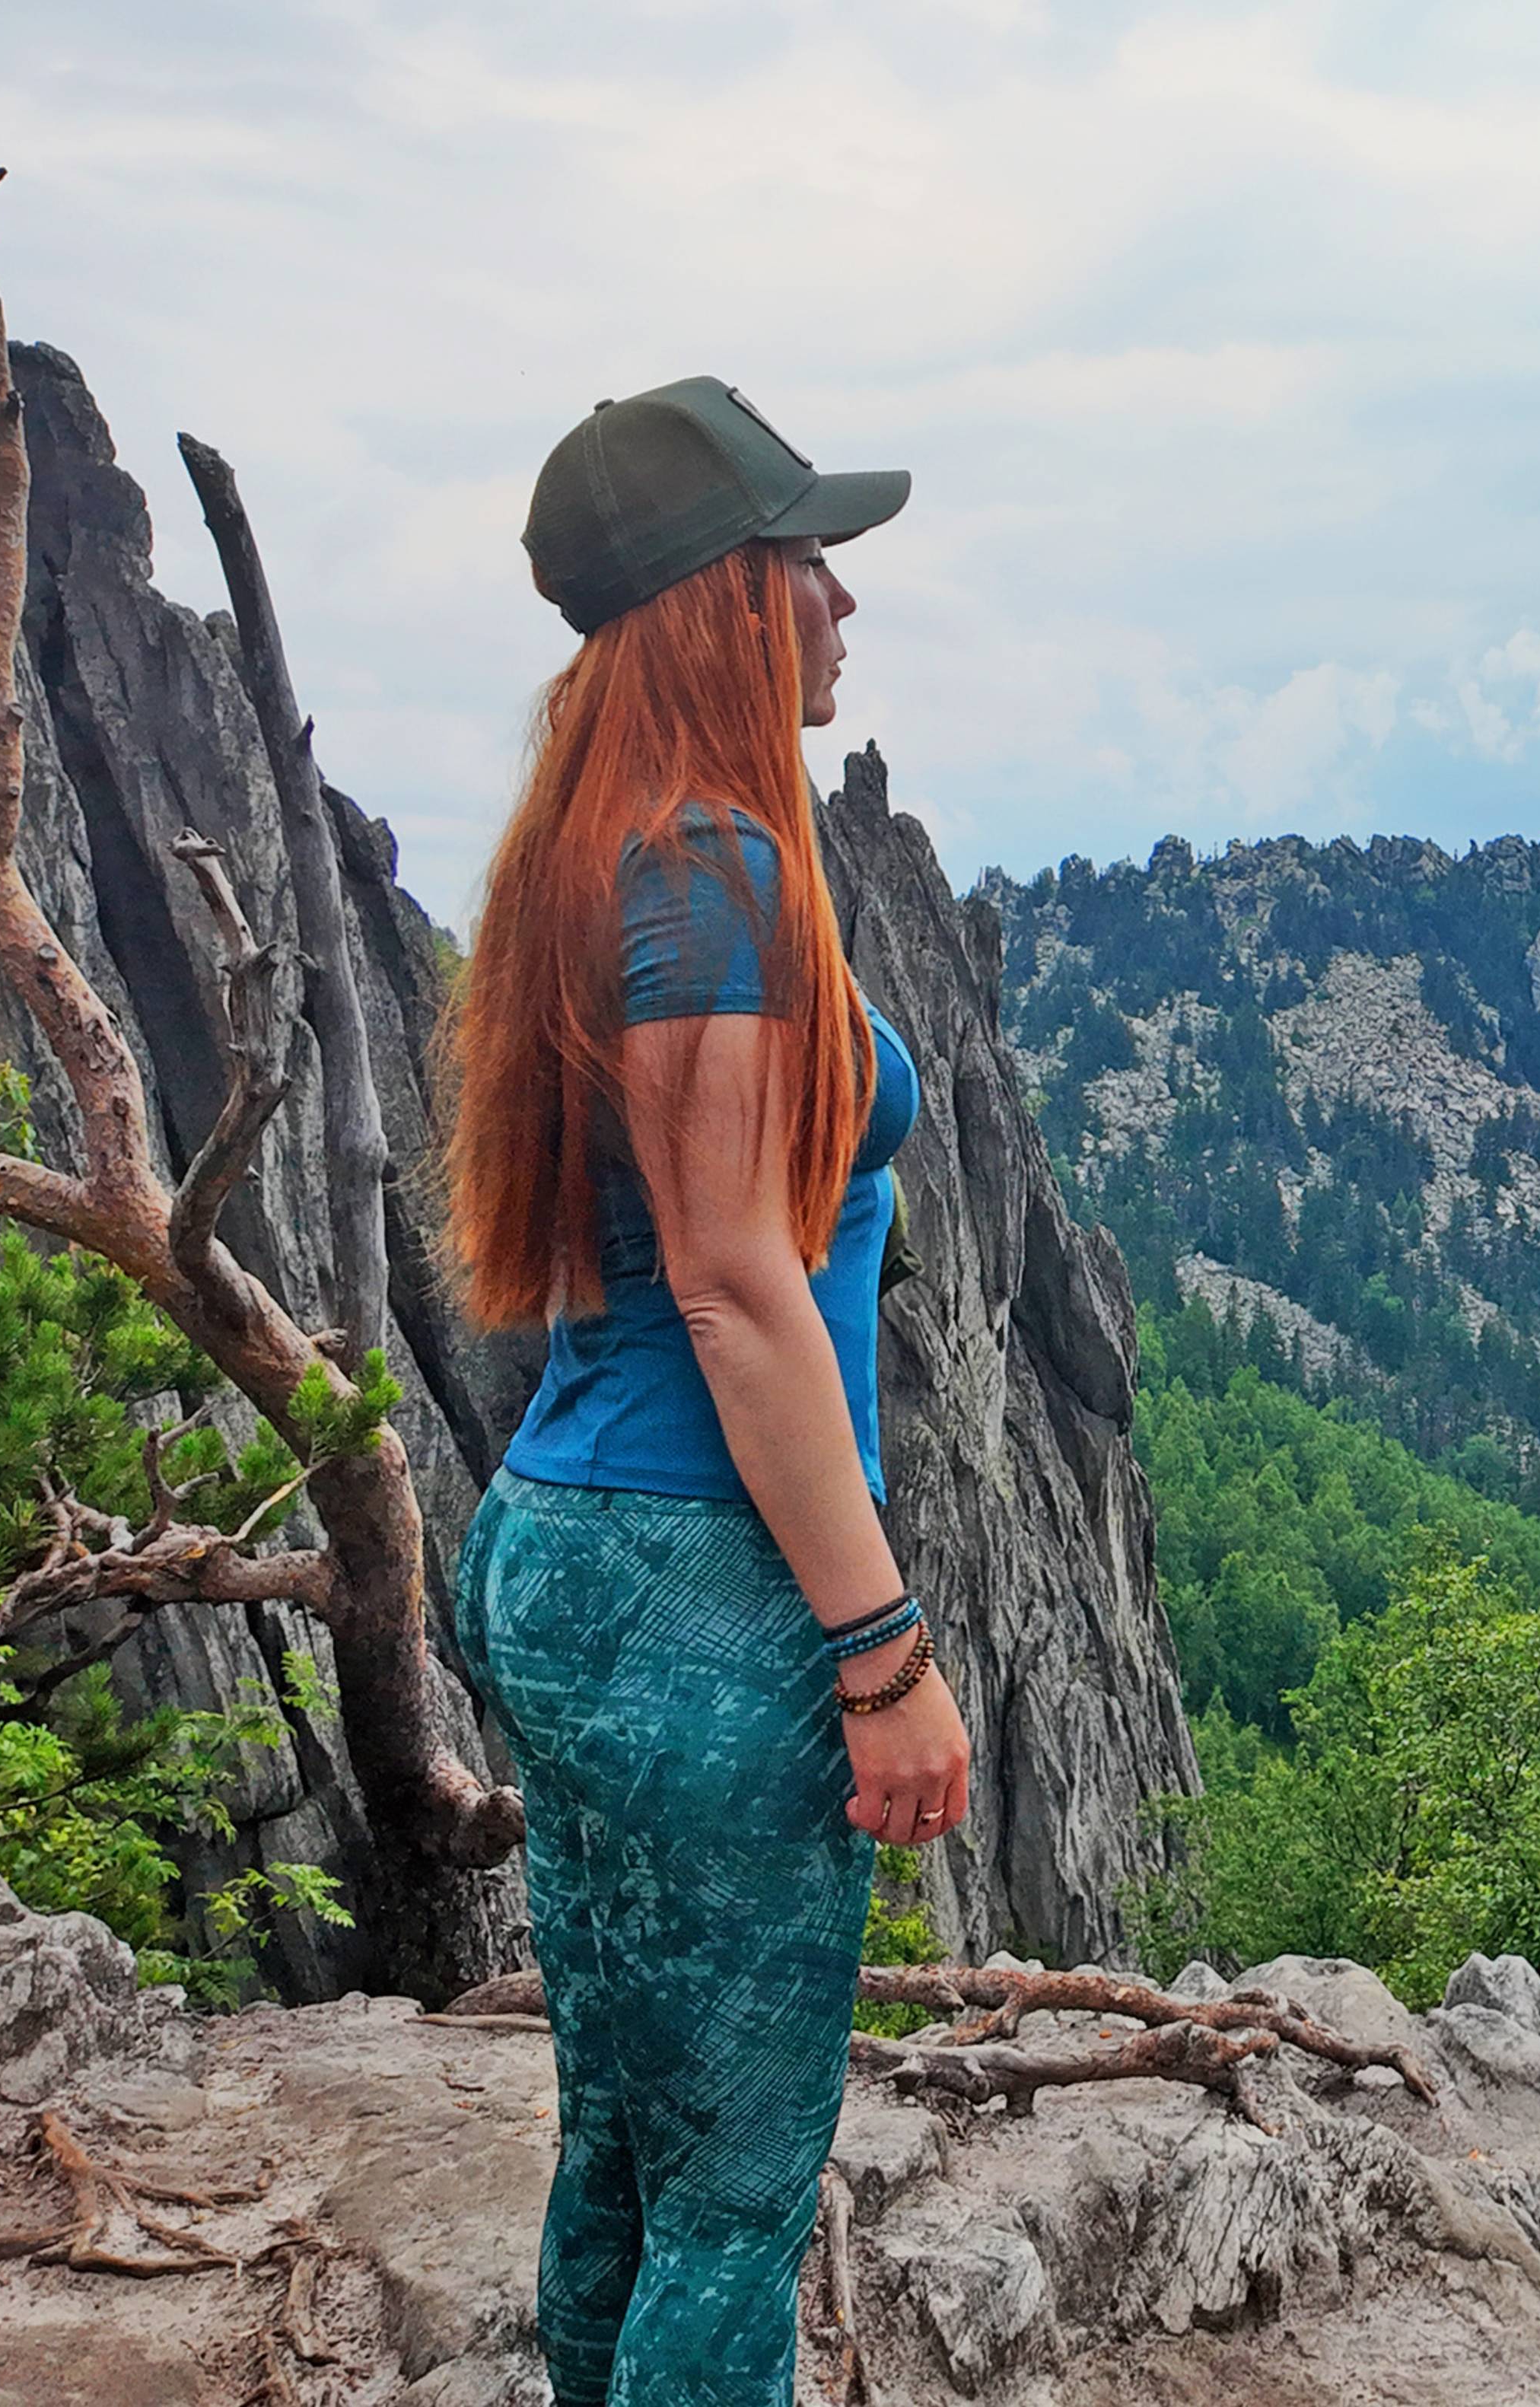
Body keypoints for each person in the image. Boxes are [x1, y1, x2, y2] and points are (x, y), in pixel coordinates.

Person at [443, 374, 972, 2403]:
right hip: (701, 1594)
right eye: (805, 559)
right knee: (742, 2197)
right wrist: (879, 1643)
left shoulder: (589, 863)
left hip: (561, 1554)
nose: (842, 597)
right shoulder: (716, 871)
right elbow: (740, 1287)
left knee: (627, 2135)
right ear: (722, 601)